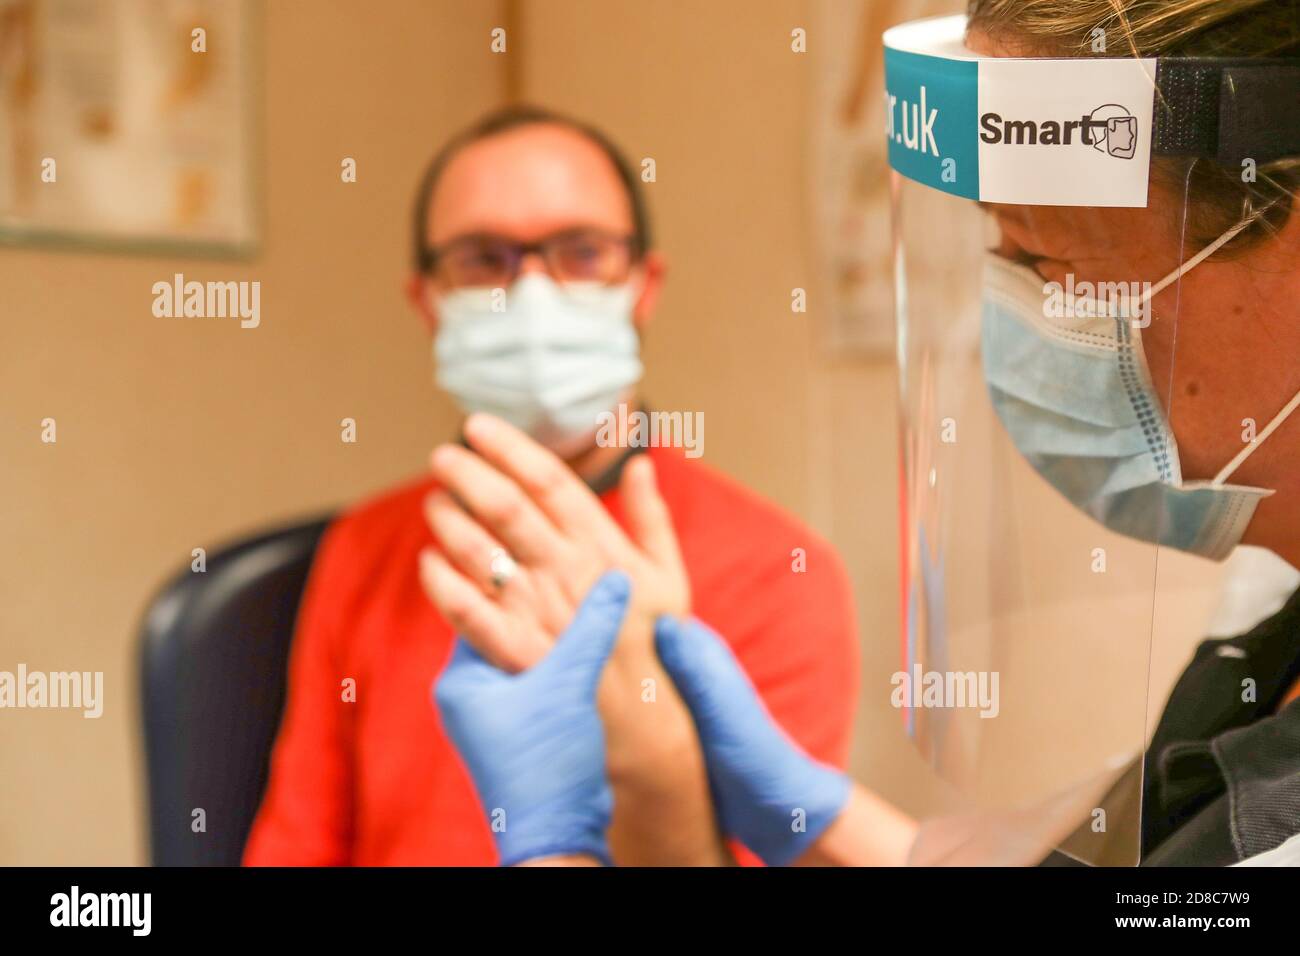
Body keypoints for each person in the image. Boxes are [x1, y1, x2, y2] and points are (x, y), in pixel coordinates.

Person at [429, 0, 1300, 867]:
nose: (1010, 324)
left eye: (1046, 260)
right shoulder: (1262, 610)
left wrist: (558, 845)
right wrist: (811, 811)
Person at [242, 106, 860, 866]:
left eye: (582, 252)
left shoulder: (779, 570)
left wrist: (649, 751)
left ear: (643, 286)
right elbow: (297, 845)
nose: (533, 294)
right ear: (428, 302)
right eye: (484, 259)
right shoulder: (364, 550)